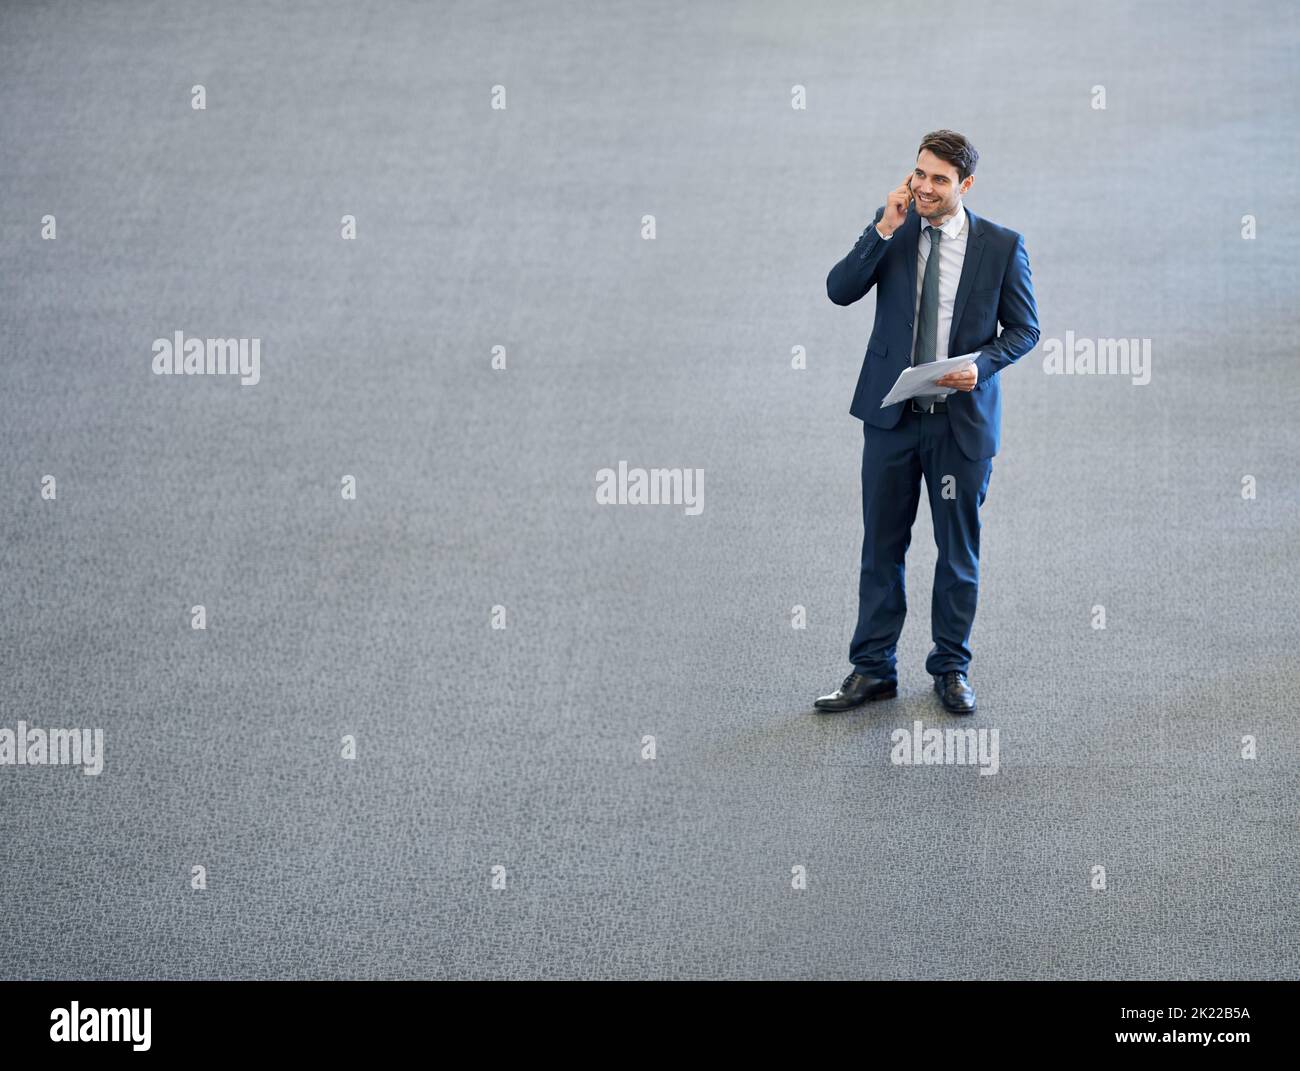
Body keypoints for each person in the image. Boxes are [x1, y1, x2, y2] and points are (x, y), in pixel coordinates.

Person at [815, 130, 1039, 716]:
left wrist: (980, 366)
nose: (925, 188)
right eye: (920, 174)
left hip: (959, 425)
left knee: (956, 552)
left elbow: (1025, 330)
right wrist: (883, 227)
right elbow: (840, 291)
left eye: (940, 179)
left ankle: (951, 669)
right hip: (891, 421)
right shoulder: (895, 226)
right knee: (880, 547)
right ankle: (871, 670)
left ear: (965, 185)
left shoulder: (1001, 245)